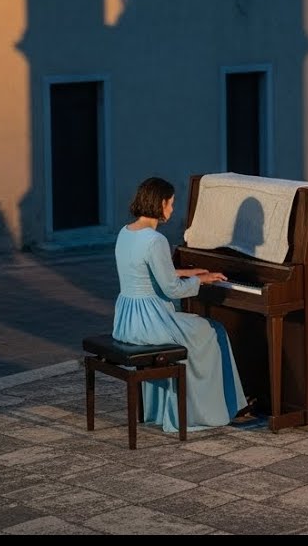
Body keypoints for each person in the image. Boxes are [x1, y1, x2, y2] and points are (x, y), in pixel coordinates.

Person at [112, 176, 254, 432]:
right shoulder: (155, 241)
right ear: (161, 203)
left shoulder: (126, 233)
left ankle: (183, 407)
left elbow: (145, 272)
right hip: (152, 323)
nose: (172, 208)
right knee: (214, 332)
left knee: (204, 329)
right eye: (171, 203)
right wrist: (204, 280)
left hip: (127, 320)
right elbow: (171, 289)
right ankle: (214, 410)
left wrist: (188, 273)